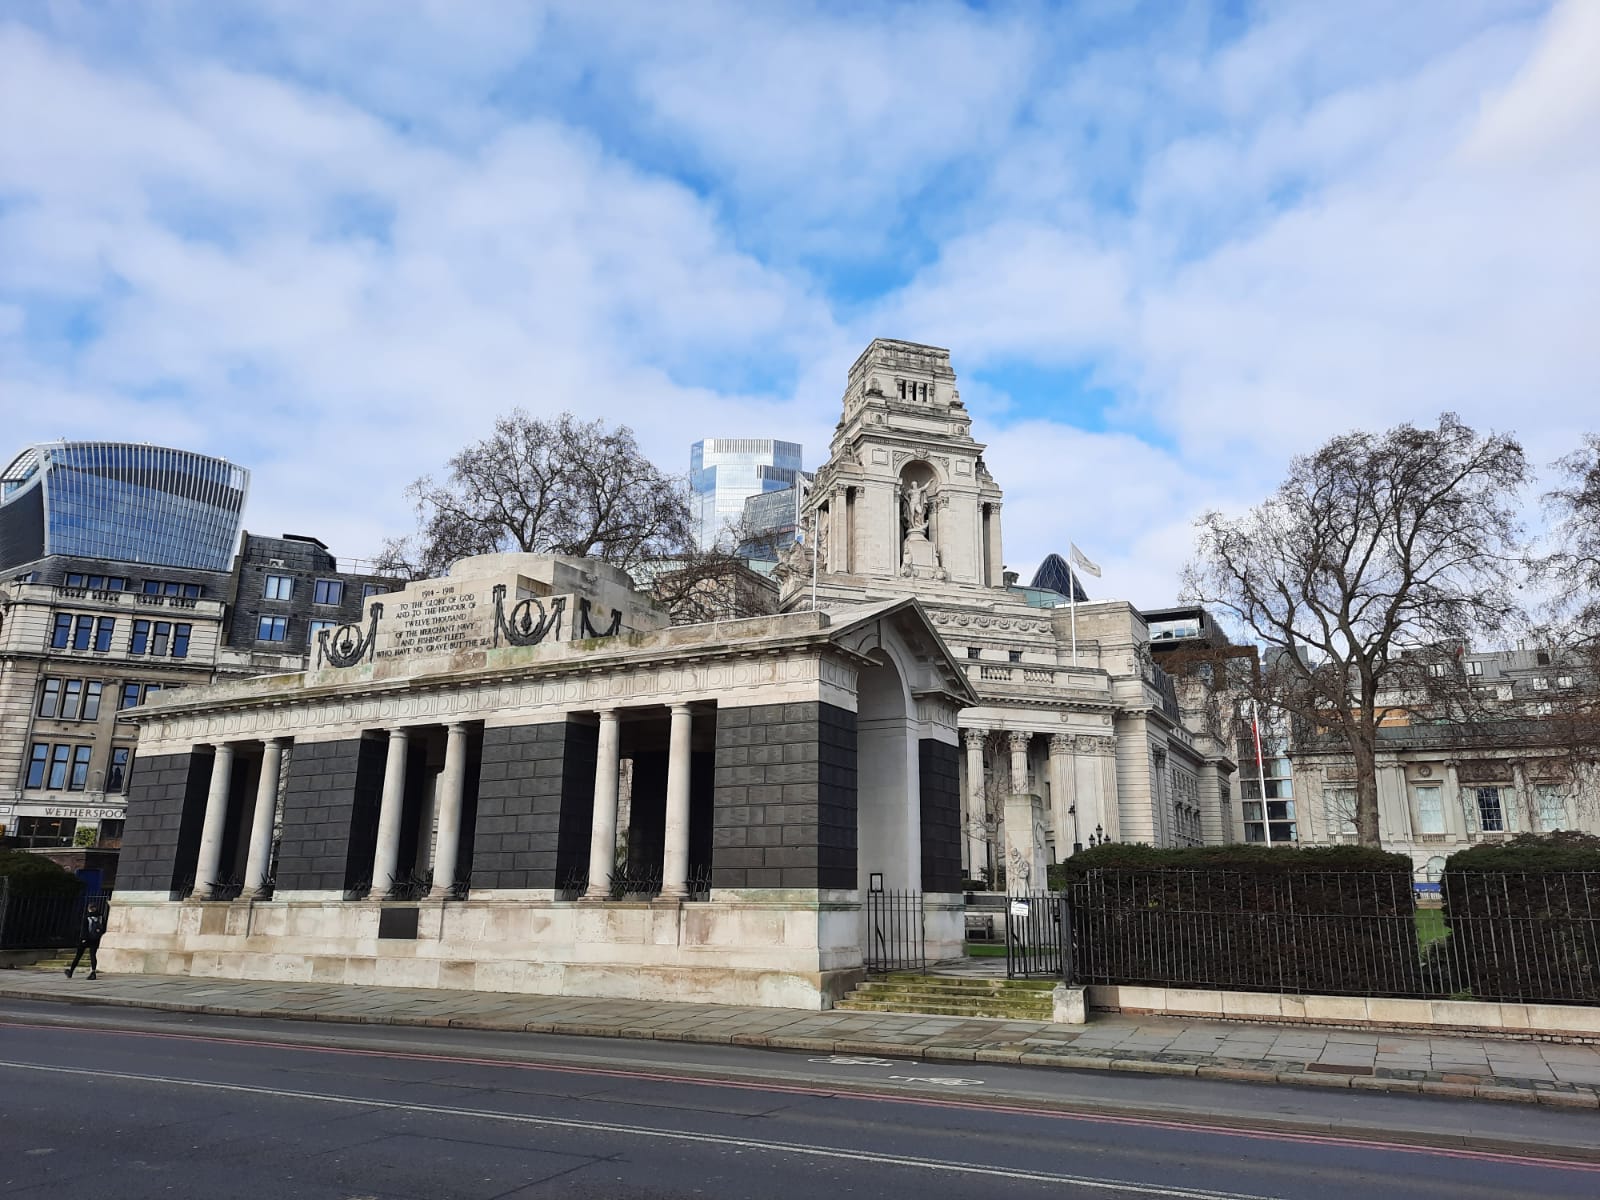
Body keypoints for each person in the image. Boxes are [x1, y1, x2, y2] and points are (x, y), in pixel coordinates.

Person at [66, 900, 106, 980]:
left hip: (85, 939)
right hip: (95, 939)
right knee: (93, 955)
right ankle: (93, 972)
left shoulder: (87, 917)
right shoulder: (101, 917)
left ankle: (71, 971)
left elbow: (84, 929)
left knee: (78, 955)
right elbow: (103, 928)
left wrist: (83, 939)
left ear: (89, 909)